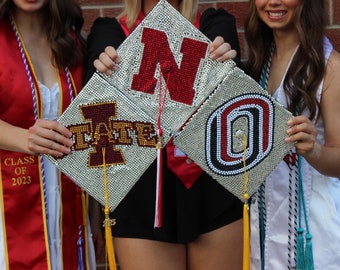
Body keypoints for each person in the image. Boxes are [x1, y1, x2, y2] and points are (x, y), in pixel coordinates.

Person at [86, 0, 244, 269]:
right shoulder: (109, 34)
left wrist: (225, 64)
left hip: (210, 187)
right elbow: (98, 126)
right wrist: (104, 78)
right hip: (142, 196)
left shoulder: (215, 27)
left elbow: (226, 107)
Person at [244, 0, 340, 269]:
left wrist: (314, 150)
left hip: (314, 225)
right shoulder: (261, 61)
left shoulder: (330, 67)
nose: (273, 2)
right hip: (264, 221)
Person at [0, 0, 96, 269]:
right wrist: (24, 139)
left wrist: (94, 213)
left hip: (70, 208)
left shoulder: (74, 41)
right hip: (7, 209)